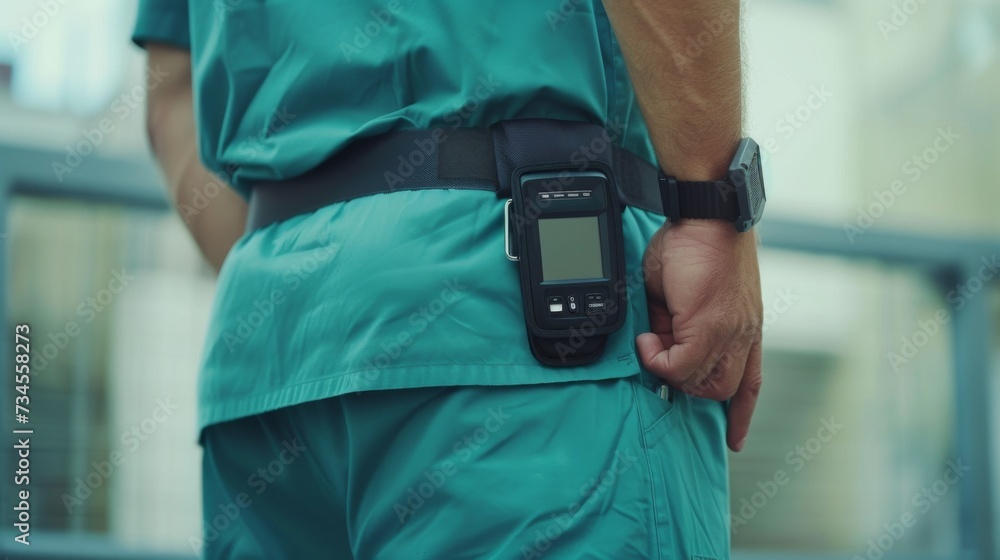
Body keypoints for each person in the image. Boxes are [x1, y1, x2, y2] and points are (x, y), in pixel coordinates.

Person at [134, 0, 763, 557]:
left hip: (272, 355)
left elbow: (171, 106)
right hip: (513, 342)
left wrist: (322, 285)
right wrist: (712, 205)